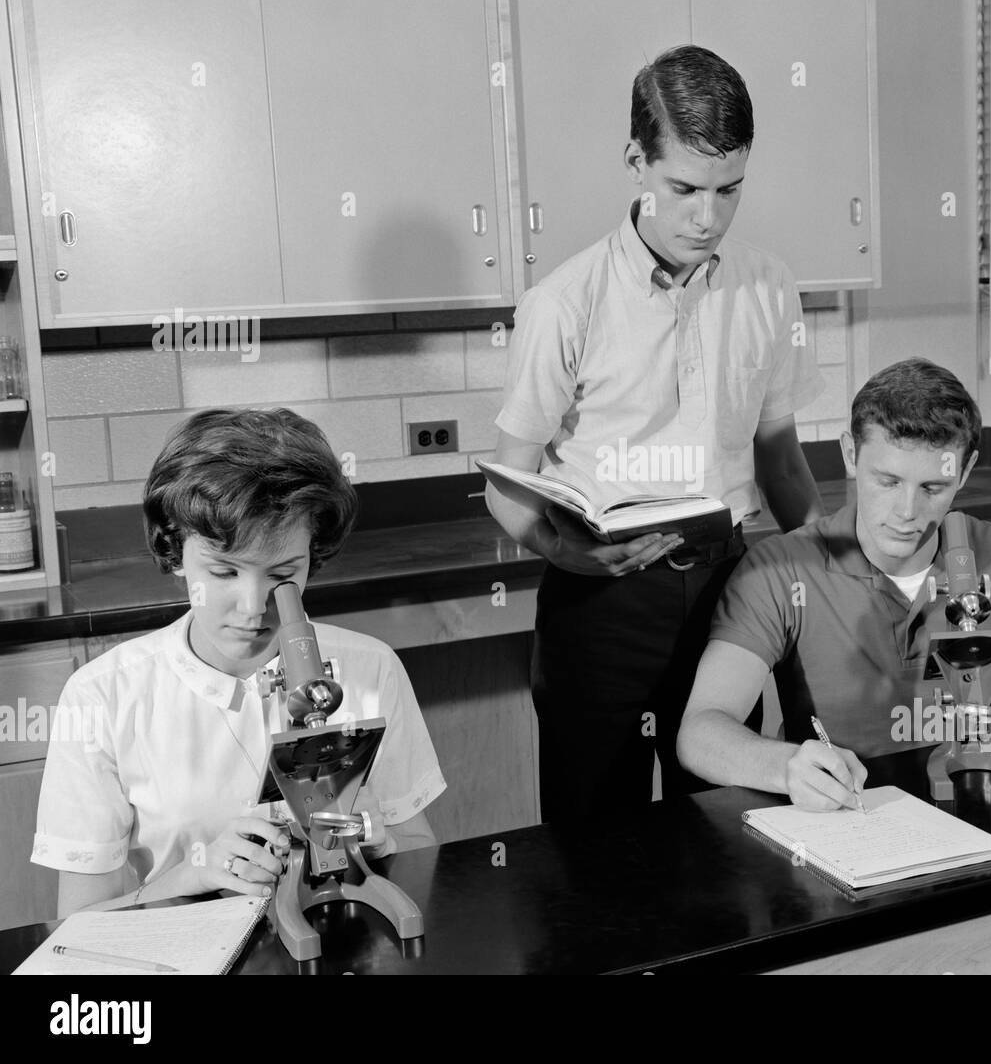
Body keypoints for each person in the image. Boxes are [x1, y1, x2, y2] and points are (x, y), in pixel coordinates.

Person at [486, 45, 825, 822]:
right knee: (589, 853)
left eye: (729, 190)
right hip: (601, 603)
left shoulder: (768, 285)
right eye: (684, 188)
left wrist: (835, 572)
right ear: (637, 161)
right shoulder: (562, 303)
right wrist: (570, 550)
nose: (707, 217)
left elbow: (780, 458)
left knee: (724, 838)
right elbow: (505, 487)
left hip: (730, 591)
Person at [677, 358, 991, 810]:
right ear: (850, 455)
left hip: (977, 813)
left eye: (933, 488)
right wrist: (786, 766)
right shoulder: (780, 571)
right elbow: (701, 731)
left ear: (965, 471)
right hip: (847, 818)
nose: (906, 512)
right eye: (887, 481)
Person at [32, 408, 445, 915]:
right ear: (174, 551)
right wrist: (192, 874)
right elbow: (75, 924)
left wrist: (383, 848)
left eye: (283, 572)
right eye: (223, 571)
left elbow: (421, 851)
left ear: (313, 555)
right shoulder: (102, 695)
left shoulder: (370, 667)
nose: (254, 608)